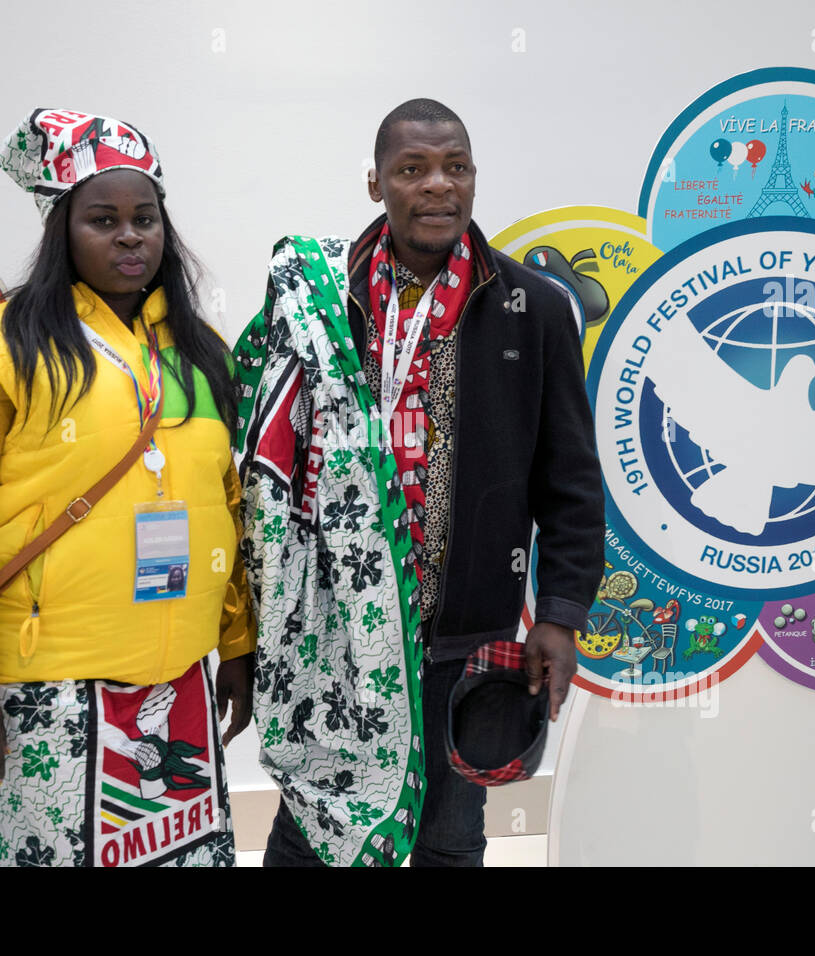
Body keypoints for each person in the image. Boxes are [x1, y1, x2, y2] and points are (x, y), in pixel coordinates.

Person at [241, 98, 604, 867]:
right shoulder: (320, 299)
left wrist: (562, 615)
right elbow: (264, 453)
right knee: (311, 835)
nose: (439, 186)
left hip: (462, 637)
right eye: (413, 169)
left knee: (448, 840)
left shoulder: (530, 310)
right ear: (376, 183)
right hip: (335, 634)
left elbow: (569, 481)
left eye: (456, 168)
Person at [0, 108, 254, 868]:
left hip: (178, 682)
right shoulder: (0, 347)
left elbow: (226, 508)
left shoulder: (202, 354)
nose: (130, 236)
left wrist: (234, 643)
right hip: (47, 692)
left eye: (146, 218)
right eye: (103, 219)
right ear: (61, 230)